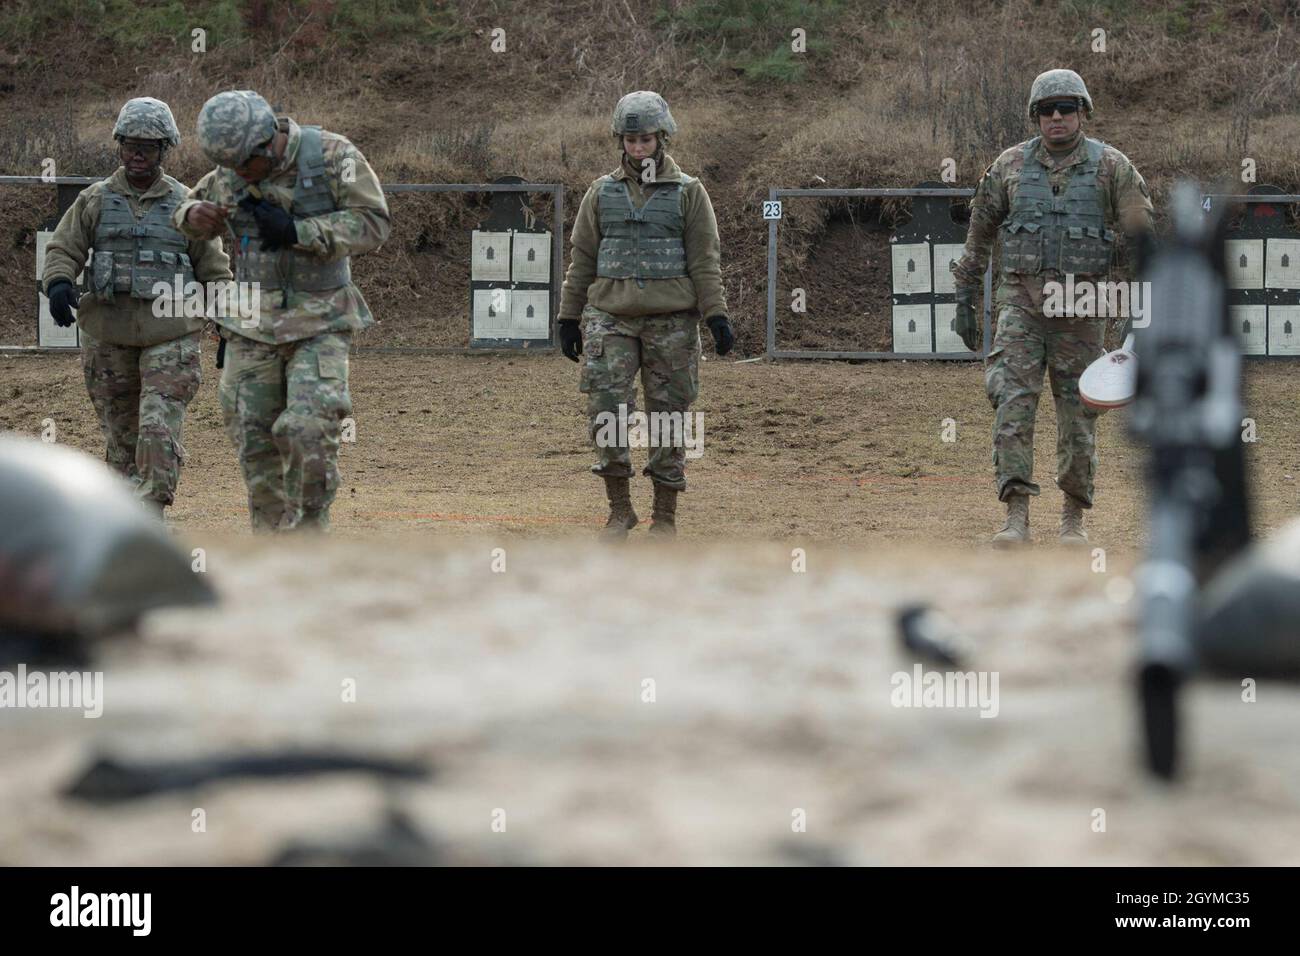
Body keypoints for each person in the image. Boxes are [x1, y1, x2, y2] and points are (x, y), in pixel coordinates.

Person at [951, 69, 1154, 547]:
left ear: (1083, 111)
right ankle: (1015, 518)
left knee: (1079, 416)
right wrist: (964, 295)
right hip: (1020, 310)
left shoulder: (1113, 167)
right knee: (1011, 408)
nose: (1057, 117)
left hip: (1083, 314)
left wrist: (1139, 309)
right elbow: (979, 234)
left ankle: (1072, 521)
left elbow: (1143, 243)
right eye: (1047, 110)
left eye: (1066, 108)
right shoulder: (1009, 166)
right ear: (1035, 116)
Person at [175, 90, 391, 532]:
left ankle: (308, 536)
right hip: (253, 325)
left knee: (308, 429)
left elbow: (374, 222)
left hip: (320, 320)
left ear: (268, 139)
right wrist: (192, 215)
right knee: (253, 440)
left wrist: (300, 230)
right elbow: (186, 207)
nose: (236, 174)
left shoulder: (332, 155)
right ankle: (272, 552)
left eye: (243, 164)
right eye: (229, 166)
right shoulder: (231, 169)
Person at [41, 97, 231, 516]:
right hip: (108, 334)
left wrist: (228, 328)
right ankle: (124, 523)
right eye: (130, 144)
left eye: (148, 145)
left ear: (165, 149)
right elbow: (63, 247)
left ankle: (150, 515)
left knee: (157, 429)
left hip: (171, 334)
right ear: (120, 146)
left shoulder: (187, 205)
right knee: (121, 437)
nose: (138, 153)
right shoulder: (94, 200)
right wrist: (57, 282)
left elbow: (215, 271)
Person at [557, 90, 733, 539]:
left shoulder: (689, 193)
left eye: (647, 139)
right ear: (621, 140)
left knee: (669, 414)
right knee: (607, 409)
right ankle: (619, 510)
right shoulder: (601, 193)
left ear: (663, 139)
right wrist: (567, 317)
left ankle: (666, 516)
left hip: (672, 321)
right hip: (610, 318)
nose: (639, 148)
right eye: (631, 140)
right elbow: (583, 257)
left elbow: (704, 260)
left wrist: (716, 315)